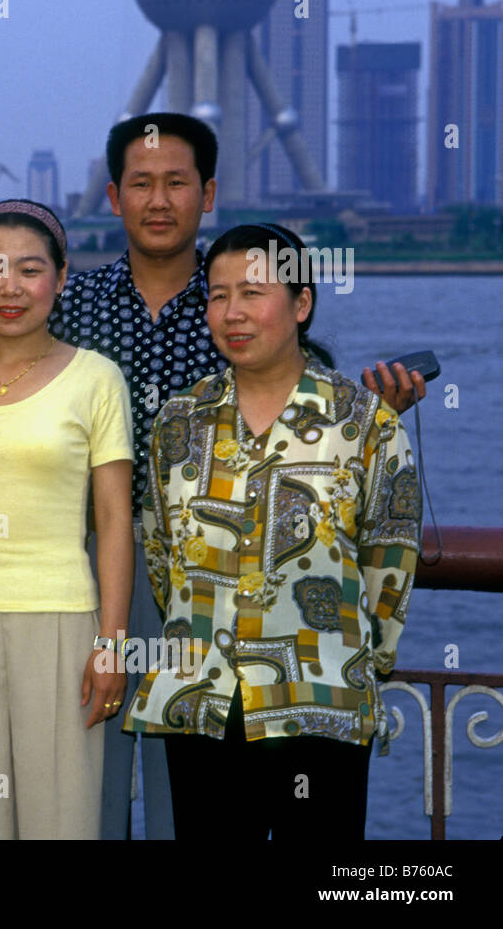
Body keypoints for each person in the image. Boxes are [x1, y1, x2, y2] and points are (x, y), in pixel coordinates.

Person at [47, 111, 429, 839]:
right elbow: (156, 542)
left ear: (208, 191)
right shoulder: (89, 318)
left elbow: (388, 559)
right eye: (141, 184)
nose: (159, 200)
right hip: (120, 584)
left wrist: (353, 658)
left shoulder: (352, 413)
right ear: (113, 195)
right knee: (90, 794)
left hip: (311, 671)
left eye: (177, 183)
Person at [122, 222, 421, 840]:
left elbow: (390, 559)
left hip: (321, 695)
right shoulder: (180, 422)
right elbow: (159, 550)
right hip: (201, 697)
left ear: (301, 303)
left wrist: (366, 660)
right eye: (218, 294)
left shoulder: (364, 423)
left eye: (253, 293)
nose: (232, 312)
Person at [0, 200, 134, 839]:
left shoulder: (97, 379)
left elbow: (114, 520)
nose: (9, 287)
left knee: (61, 815)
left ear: (62, 276)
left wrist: (111, 645)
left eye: (29, 269)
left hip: (61, 619)